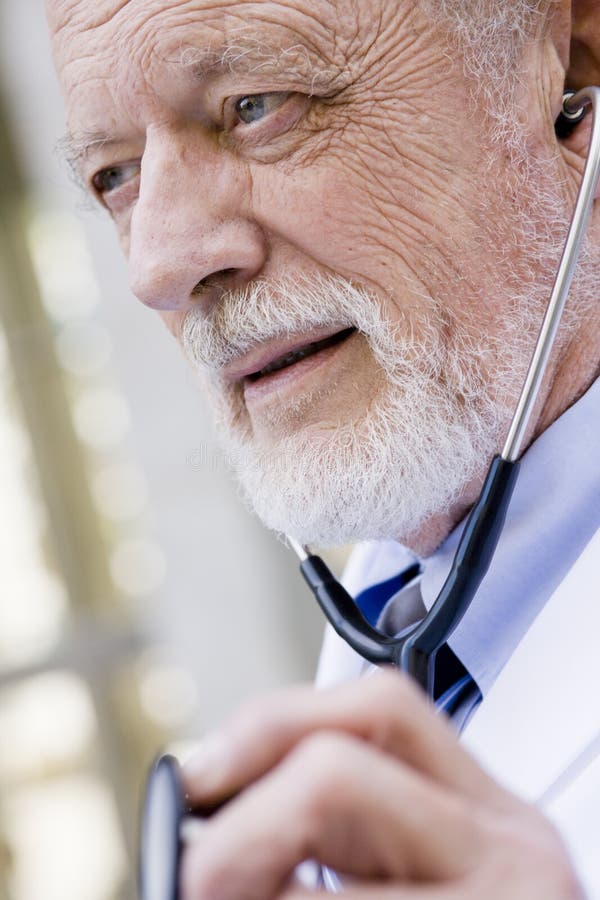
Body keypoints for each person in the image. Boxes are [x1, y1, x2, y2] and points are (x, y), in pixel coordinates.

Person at [46, 0, 599, 897]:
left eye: (255, 105)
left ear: (571, 67)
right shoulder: (401, 639)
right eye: (116, 177)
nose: (159, 265)